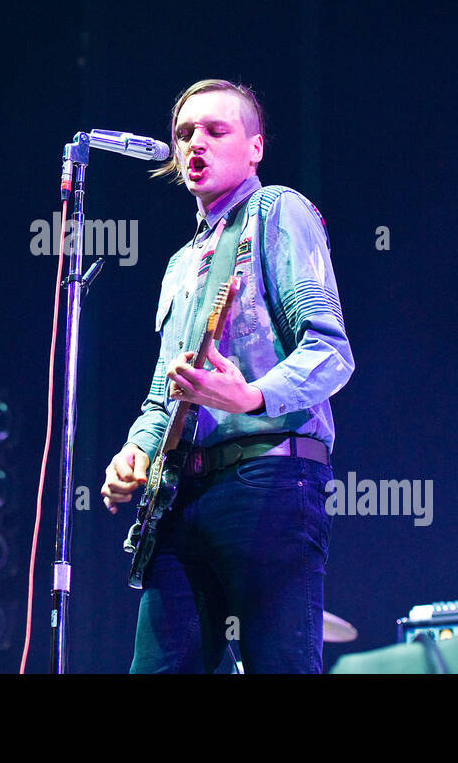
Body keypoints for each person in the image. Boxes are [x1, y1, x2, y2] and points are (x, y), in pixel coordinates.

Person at [101, 79, 354, 674]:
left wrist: (253, 395)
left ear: (255, 148)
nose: (196, 143)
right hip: (180, 494)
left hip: (267, 475)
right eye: (185, 133)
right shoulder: (179, 265)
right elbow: (169, 388)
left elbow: (330, 350)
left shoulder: (277, 211)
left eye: (217, 131)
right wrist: (135, 450)